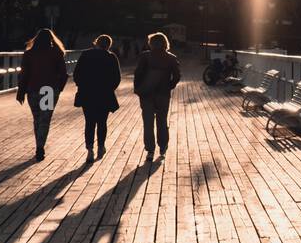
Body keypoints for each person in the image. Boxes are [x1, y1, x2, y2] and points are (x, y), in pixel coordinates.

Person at [16, 28, 68, 161]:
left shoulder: (29, 54)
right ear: (51, 40)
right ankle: (40, 147)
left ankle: (38, 145)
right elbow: (63, 74)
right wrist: (58, 88)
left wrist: (21, 91)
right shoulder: (56, 53)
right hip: (49, 90)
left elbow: (24, 74)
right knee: (45, 120)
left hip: (32, 89)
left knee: (37, 119)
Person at [72, 34, 121, 163]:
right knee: (102, 122)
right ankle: (101, 146)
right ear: (109, 45)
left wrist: (82, 85)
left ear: (96, 43)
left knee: (89, 122)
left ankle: (89, 150)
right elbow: (117, 77)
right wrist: (109, 88)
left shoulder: (86, 55)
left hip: (87, 93)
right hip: (104, 94)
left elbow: (76, 74)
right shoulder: (111, 57)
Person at [133, 31, 180, 159]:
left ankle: (150, 150)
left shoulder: (145, 56)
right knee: (162, 121)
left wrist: (138, 89)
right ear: (165, 43)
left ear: (151, 43)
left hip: (147, 94)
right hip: (163, 94)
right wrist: (169, 86)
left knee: (148, 123)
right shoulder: (171, 58)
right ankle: (163, 147)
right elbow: (177, 76)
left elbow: (138, 74)